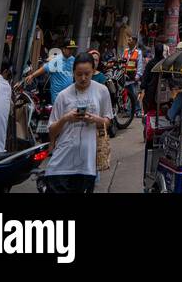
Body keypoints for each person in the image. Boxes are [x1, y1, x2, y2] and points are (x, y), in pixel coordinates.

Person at [41, 52, 112, 194]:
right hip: (61, 165)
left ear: (93, 71)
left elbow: (107, 122)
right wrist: (66, 118)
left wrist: (94, 119)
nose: (83, 78)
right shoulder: (63, 96)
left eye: (87, 73)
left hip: (87, 165)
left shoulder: (102, 91)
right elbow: (52, 131)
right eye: (79, 74)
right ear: (73, 73)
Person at [122, 35, 143, 118]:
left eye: (130, 40)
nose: (128, 41)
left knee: (134, 94)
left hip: (133, 78)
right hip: (125, 77)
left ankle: (137, 111)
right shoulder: (126, 51)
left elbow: (140, 65)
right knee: (127, 95)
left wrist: (138, 75)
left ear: (134, 42)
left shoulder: (138, 52)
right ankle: (129, 111)